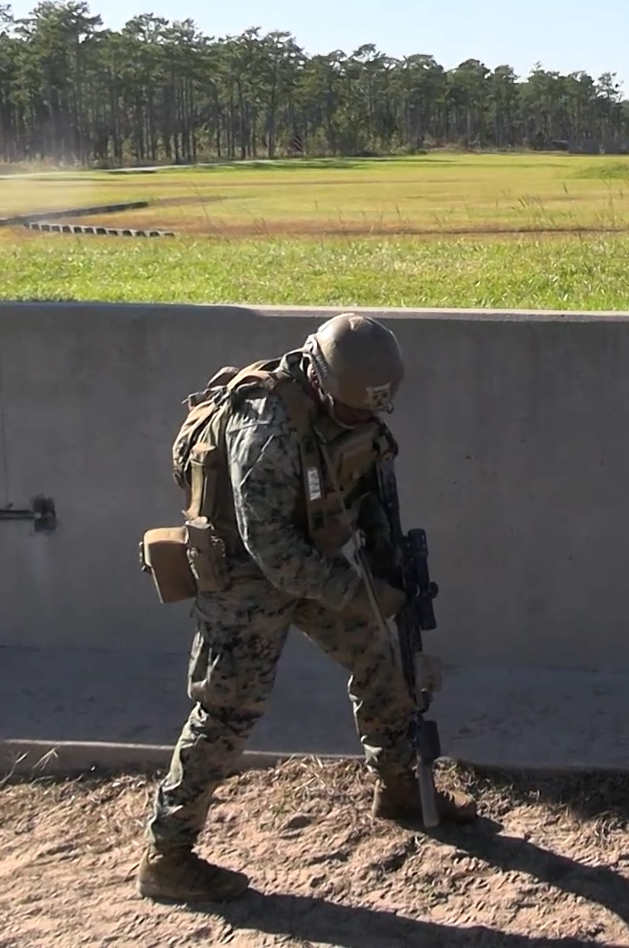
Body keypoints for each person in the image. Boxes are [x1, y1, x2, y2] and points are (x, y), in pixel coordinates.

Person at [138, 313, 440, 903]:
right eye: (354, 411)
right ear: (323, 382)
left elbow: (360, 485)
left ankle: (400, 786)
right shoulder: (268, 430)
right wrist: (353, 591)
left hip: (311, 557)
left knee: (376, 653)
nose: (364, 420)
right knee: (227, 712)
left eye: (373, 412)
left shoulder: (351, 406)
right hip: (243, 576)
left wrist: (383, 553)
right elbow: (271, 548)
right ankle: (167, 856)